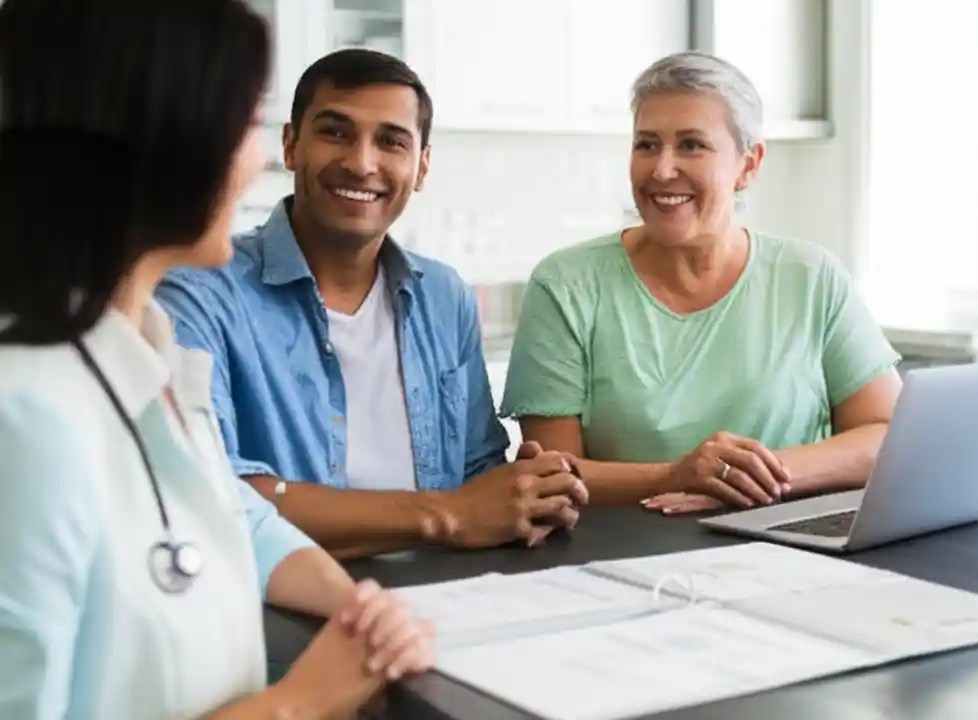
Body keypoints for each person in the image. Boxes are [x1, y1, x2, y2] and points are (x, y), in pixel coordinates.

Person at [0, 1, 433, 717]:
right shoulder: (25, 416)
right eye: (243, 125)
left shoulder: (147, 347)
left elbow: (232, 516)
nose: (259, 159)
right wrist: (303, 700)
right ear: (163, 144)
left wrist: (357, 607)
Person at [155, 49, 586, 558]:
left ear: (421, 166)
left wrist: (528, 492)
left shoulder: (443, 295)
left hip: (448, 591)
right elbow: (211, 494)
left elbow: (478, 472)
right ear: (291, 146)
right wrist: (443, 516)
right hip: (293, 606)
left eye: (391, 141)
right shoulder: (200, 295)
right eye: (335, 132)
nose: (361, 163)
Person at [501, 51, 904, 515]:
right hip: (624, 552)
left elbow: (888, 435)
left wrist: (753, 476)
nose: (661, 169)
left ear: (748, 165)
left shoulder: (812, 278)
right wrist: (676, 475)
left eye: (691, 144)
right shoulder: (565, 285)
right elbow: (550, 474)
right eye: (646, 144)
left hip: (791, 546)